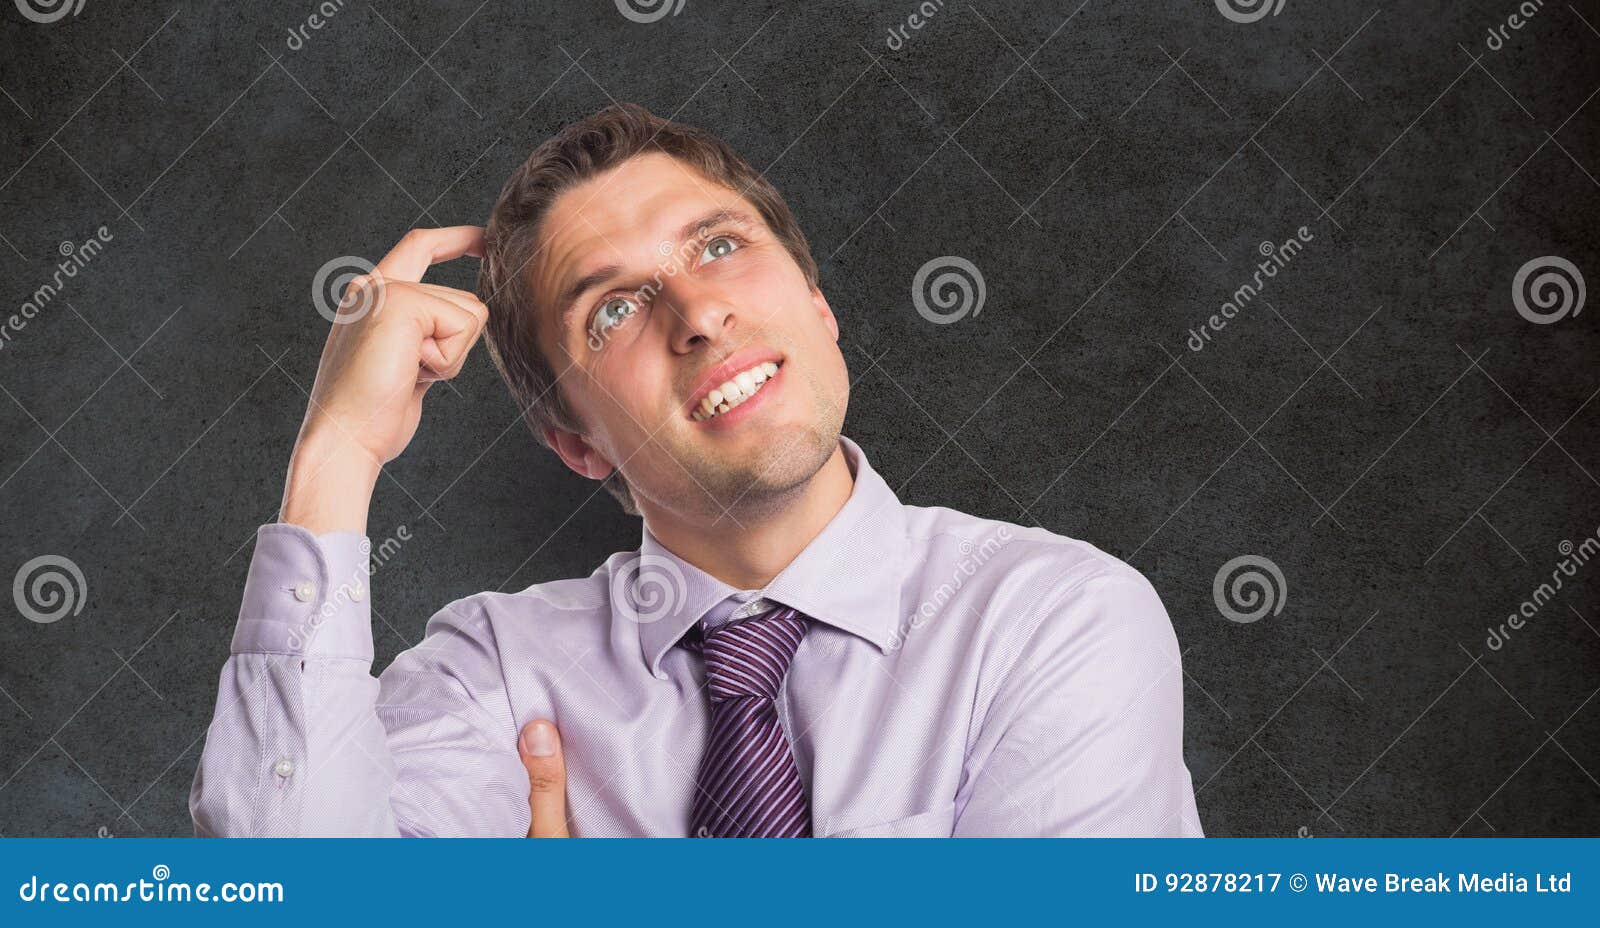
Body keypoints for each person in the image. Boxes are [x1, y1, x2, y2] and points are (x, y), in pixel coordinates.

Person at [189, 103, 1204, 838]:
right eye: (614, 309)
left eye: (719, 245)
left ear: (816, 304)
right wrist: (336, 457)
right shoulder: (493, 674)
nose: (699, 313)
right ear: (574, 442)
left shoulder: (1055, 619)